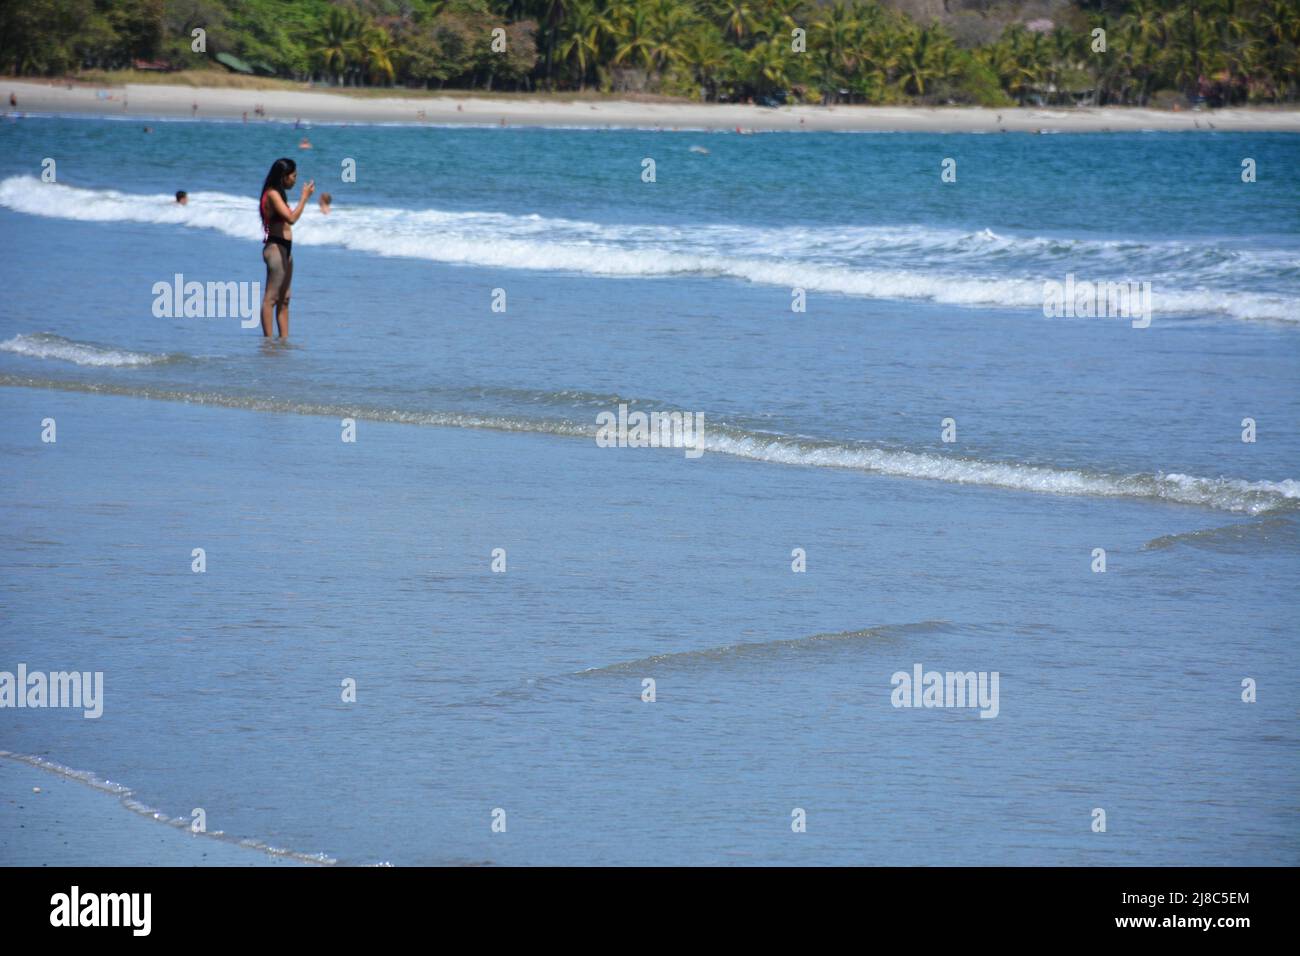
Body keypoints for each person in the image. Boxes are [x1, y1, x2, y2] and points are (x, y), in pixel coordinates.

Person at [258, 158, 314, 339]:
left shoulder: (279, 194)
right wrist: (304, 197)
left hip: (285, 248)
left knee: (285, 299)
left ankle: (283, 341)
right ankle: (268, 343)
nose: (295, 179)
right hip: (275, 247)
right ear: (283, 176)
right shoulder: (272, 194)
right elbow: (290, 218)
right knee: (271, 298)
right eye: (293, 176)